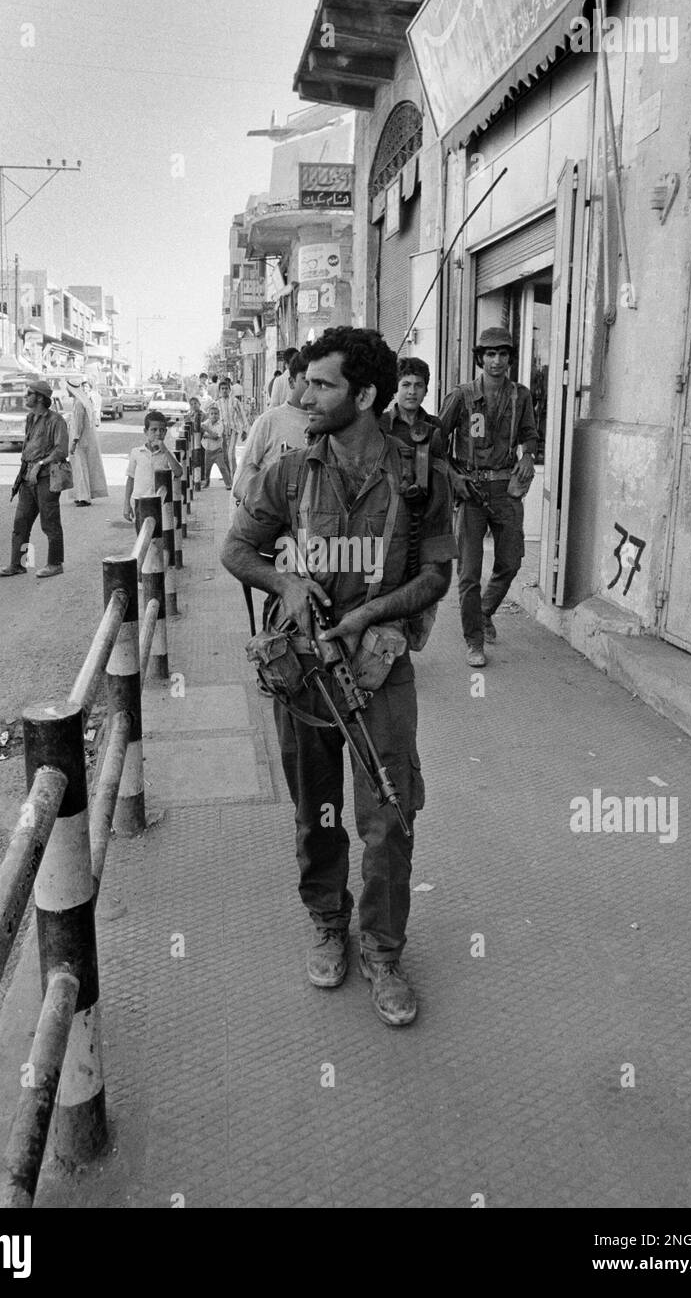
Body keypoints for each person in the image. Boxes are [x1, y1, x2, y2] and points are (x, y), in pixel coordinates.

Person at [221, 326, 455, 1027]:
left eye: (320, 384)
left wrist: (369, 615)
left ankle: (382, 950)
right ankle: (328, 923)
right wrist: (285, 584)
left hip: (379, 672)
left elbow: (437, 574)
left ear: (366, 394)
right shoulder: (290, 470)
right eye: (305, 382)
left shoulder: (419, 479)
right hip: (302, 672)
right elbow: (236, 548)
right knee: (314, 812)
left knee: (389, 814)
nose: (302, 395)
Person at [437, 326, 538, 670]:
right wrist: (453, 477)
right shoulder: (461, 396)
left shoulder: (520, 396)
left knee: (510, 562)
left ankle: (483, 611)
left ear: (510, 357)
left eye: (503, 354)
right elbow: (436, 445)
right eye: (490, 354)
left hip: (505, 489)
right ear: (480, 358)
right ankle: (474, 640)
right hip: (471, 490)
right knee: (469, 572)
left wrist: (527, 457)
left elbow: (530, 436)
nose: (496, 361)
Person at [0, 380, 69, 579]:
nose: (25, 396)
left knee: (50, 523)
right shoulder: (31, 418)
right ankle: (19, 564)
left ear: (39, 397)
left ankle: (55, 564)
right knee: (21, 523)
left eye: (28, 393)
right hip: (28, 478)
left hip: (46, 478)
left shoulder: (56, 421)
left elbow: (61, 450)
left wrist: (42, 463)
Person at [232, 351, 309, 503]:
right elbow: (241, 482)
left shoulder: (329, 423)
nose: (313, 389)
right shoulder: (268, 422)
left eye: (320, 383)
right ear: (291, 382)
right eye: (307, 381)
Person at [124, 409, 184, 529]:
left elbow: (179, 472)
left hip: (161, 502)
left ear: (166, 432)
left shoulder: (168, 454)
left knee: (161, 537)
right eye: (153, 430)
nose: (158, 433)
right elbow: (130, 479)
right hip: (140, 501)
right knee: (143, 536)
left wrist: (165, 450)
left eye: (161, 430)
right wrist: (126, 504)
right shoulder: (136, 453)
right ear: (146, 431)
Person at [380, 357, 444, 454]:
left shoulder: (435, 424)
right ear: (395, 388)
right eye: (406, 385)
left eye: (418, 385)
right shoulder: (381, 424)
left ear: (426, 390)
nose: (412, 392)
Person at [66, 376, 108, 507]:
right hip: (85, 441)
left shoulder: (79, 404)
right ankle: (81, 495)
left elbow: (78, 426)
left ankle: (84, 497)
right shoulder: (83, 401)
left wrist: (74, 442)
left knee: (81, 469)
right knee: (81, 469)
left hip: (80, 442)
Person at [215, 377, 247, 472]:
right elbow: (213, 419)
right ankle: (229, 476)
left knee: (231, 454)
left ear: (229, 390)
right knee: (224, 455)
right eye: (222, 389)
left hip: (233, 430)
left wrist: (244, 430)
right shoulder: (216, 404)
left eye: (226, 388)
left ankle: (234, 478)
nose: (224, 390)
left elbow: (242, 415)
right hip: (222, 432)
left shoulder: (235, 401)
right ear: (220, 390)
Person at [201, 402, 233, 489]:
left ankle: (228, 483)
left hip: (218, 450)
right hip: (208, 450)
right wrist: (208, 433)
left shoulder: (220, 425)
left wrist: (207, 433)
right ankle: (206, 482)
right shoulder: (207, 422)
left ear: (219, 415)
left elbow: (216, 436)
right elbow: (201, 426)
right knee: (207, 469)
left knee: (222, 467)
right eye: (212, 414)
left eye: (216, 414)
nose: (214, 415)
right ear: (209, 415)